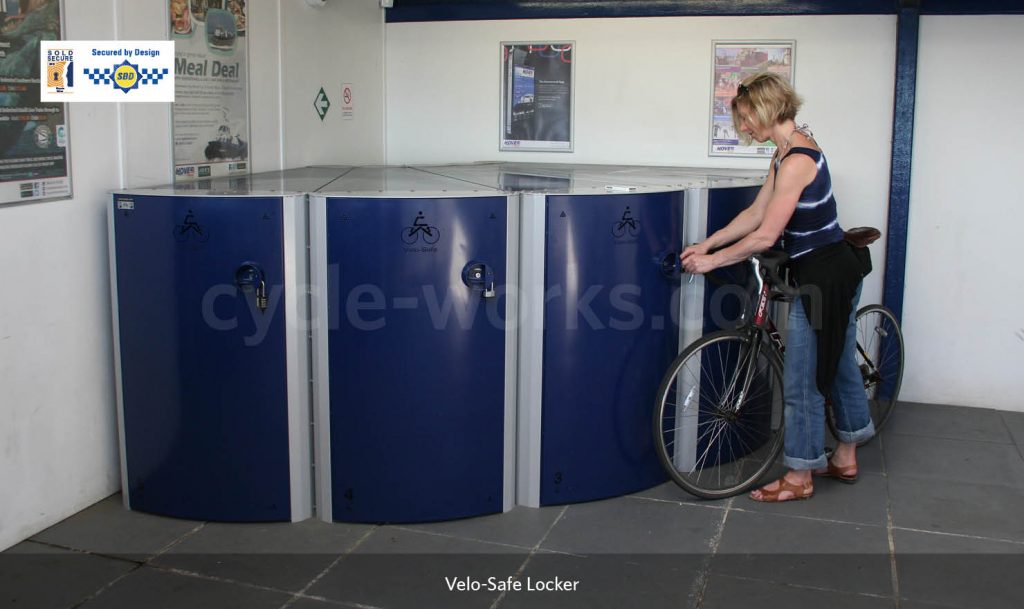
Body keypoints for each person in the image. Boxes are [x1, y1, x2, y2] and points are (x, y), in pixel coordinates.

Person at [680, 72, 874, 502]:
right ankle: (846, 453)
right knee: (839, 363)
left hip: (825, 277)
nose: (744, 128)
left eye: (746, 118)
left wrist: (712, 262)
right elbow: (755, 214)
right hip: (825, 270)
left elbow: (766, 236)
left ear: (765, 109)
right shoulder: (784, 152)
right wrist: (708, 242)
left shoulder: (798, 159)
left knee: (803, 379)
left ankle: (800, 477)